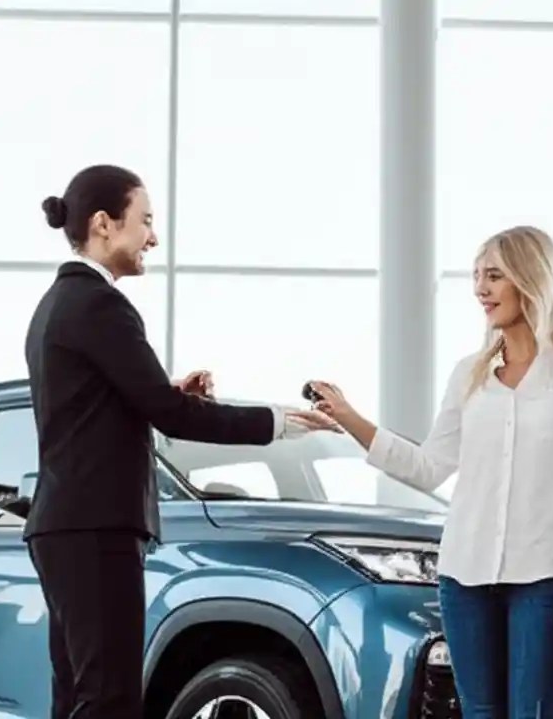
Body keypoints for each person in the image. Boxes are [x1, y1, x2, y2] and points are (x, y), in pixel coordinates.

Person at [307, 226, 553, 718]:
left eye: (494, 275)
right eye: (477, 276)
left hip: (548, 576)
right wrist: (349, 417)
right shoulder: (469, 375)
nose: (481, 289)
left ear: (530, 278)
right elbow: (429, 466)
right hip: (464, 575)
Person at [23, 164, 334, 719]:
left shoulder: (57, 305)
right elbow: (170, 417)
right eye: (144, 221)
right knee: (111, 697)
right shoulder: (100, 304)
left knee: (78, 694)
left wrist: (164, 391)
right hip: (97, 526)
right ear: (103, 224)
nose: (153, 238)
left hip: (64, 523)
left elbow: (96, 405)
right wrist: (276, 421)